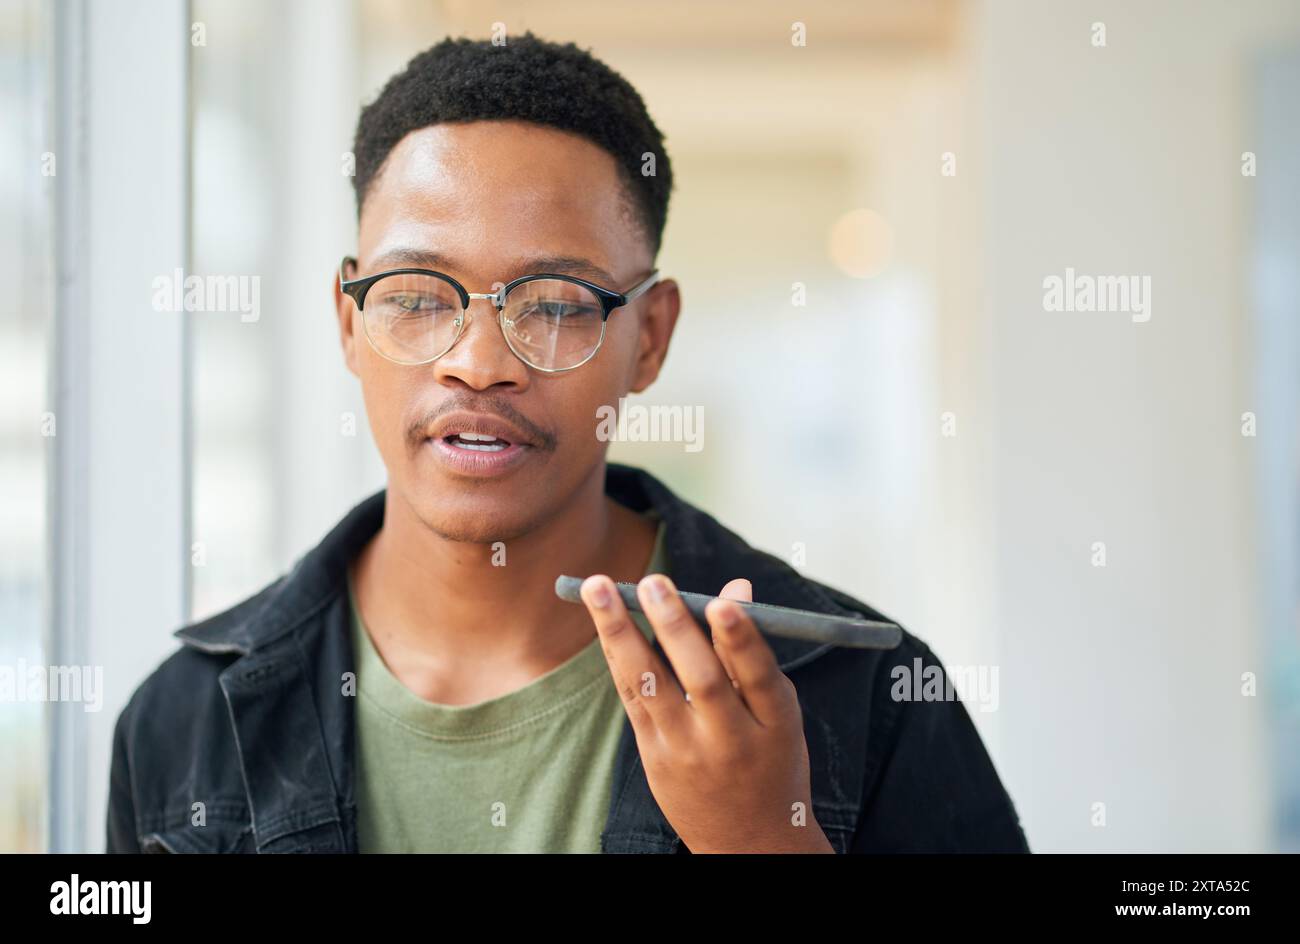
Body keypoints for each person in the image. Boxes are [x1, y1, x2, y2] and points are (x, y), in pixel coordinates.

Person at [107, 32, 1029, 854]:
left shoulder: (860, 693)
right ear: (348, 323)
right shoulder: (185, 725)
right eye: (416, 297)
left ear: (651, 339)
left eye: (552, 305)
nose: (478, 364)